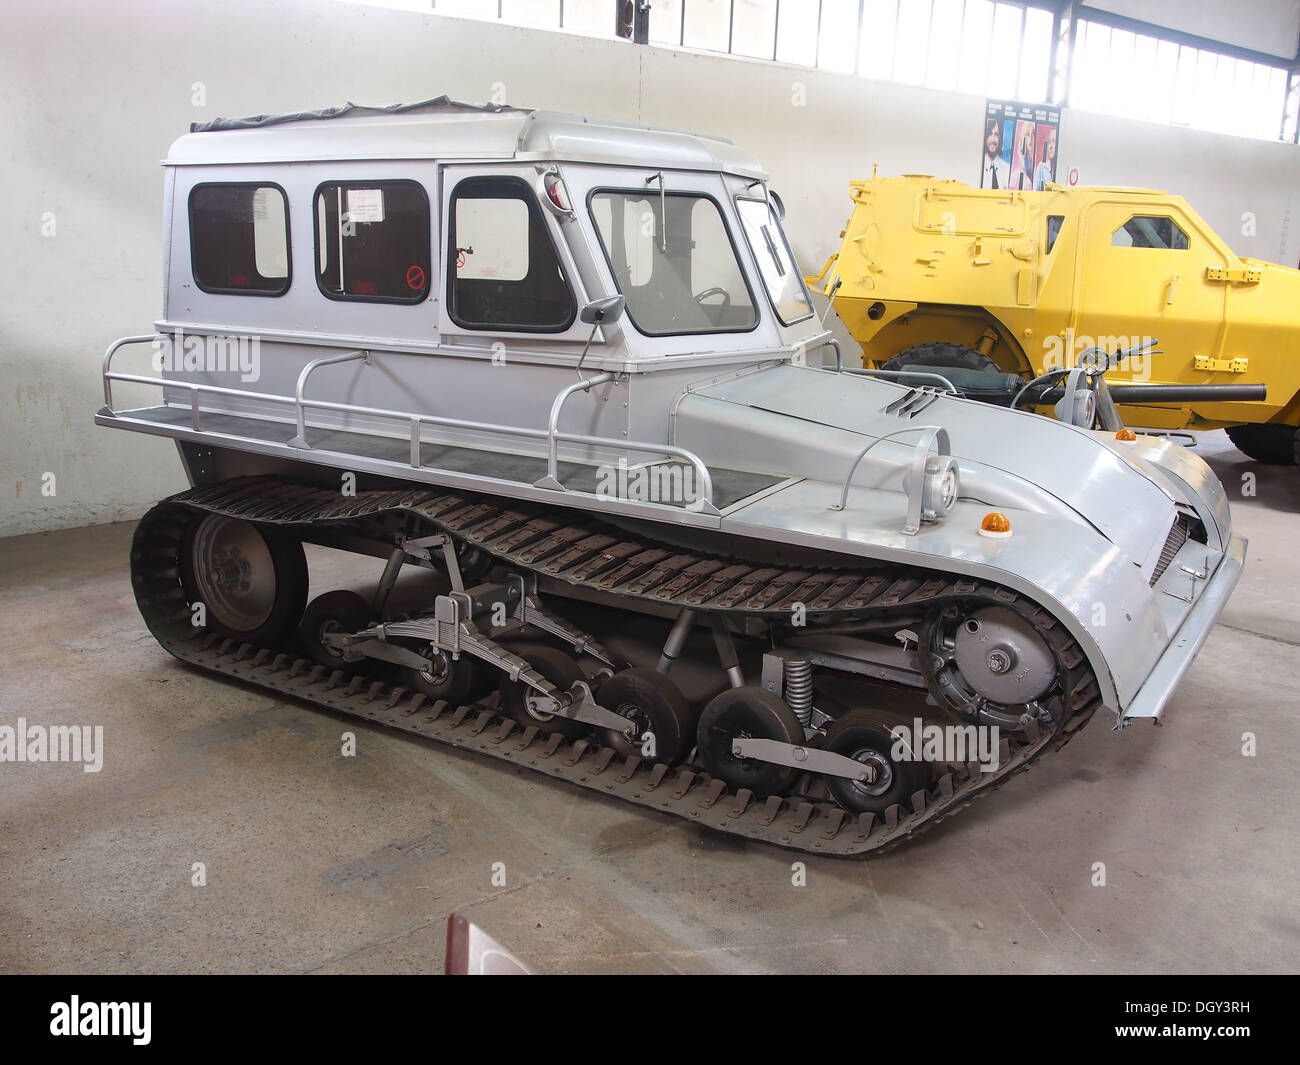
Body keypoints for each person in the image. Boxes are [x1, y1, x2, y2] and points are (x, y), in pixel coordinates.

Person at [982, 118, 1010, 190]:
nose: (993, 139)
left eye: (996, 134)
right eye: (990, 134)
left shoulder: (1007, 168)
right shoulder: (978, 166)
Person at [1033, 127, 1057, 191]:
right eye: (1049, 142)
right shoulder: (1042, 166)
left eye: (1054, 141)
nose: (1050, 146)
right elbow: (1034, 190)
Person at [1016, 124, 1035, 190]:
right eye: (1027, 134)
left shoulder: (1040, 165)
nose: (1030, 138)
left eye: (1033, 133)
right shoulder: (1021, 163)